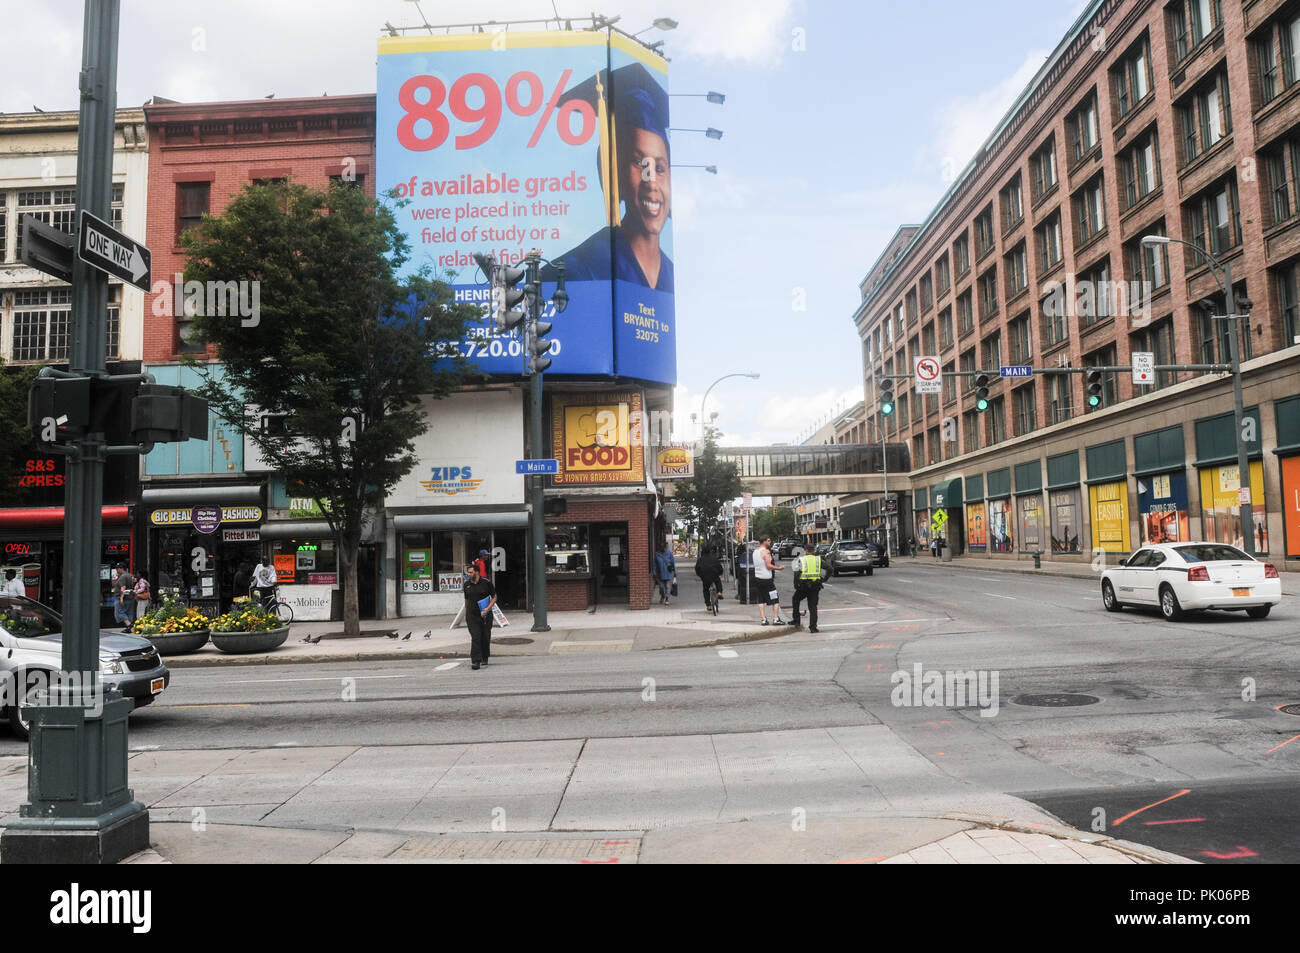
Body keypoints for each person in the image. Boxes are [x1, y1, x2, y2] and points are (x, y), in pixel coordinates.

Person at [543, 66, 673, 292]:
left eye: (660, 168)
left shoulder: (671, 277)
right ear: (614, 174)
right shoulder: (574, 273)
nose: (651, 181)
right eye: (637, 162)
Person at [462, 563, 497, 670]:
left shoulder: (486, 583)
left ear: (477, 572)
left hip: (485, 614)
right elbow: (466, 600)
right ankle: (476, 661)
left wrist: (488, 608)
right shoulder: (466, 584)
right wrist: (466, 612)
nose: (469, 574)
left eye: (471, 572)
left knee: (485, 637)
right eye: (468, 572)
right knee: (476, 636)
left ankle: (484, 657)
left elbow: (494, 597)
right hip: (472, 615)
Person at [790, 540, 826, 632]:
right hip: (815, 586)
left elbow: (796, 574)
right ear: (813, 550)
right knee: (813, 606)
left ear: (805, 550)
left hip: (803, 586)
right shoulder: (818, 559)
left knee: (795, 600)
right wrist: (824, 579)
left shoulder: (801, 559)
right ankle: (813, 627)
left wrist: (796, 585)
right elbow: (830, 568)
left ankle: (796, 620)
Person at [753, 536, 787, 625]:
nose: (770, 542)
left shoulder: (755, 552)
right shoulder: (766, 552)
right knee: (775, 598)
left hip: (757, 578)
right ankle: (776, 619)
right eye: (768, 541)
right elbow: (768, 566)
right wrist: (779, 568)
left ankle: (763, 619)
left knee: (760, 599)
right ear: (764, 542)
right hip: (767, 580)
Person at [115, 564, 136, 629]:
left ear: (121, 568)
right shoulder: (130, 575)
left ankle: (129, 625)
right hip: (130, 598)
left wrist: (121, 598)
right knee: (129, 613)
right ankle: (129, 628)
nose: (116, 570)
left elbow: (123, 587)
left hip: (124, 598)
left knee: (119, 612)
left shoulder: (123, 577)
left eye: (117, 568)